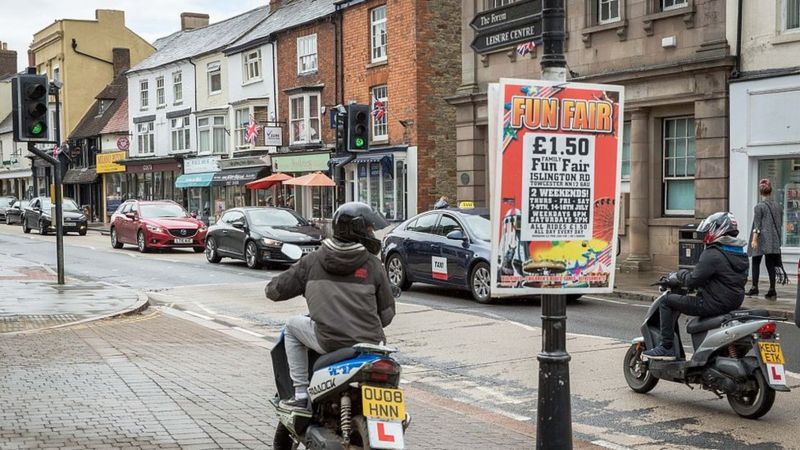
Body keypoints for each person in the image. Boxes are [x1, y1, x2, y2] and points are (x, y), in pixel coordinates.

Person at [265, 202, 396, 410]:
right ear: (357, 230)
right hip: (372, 345)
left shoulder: (312, 261)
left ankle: (300, 393)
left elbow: (274, 291)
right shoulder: (374, 265)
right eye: (370, 229)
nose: (372, 233)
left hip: (329, 341)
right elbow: (387, 316)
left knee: (291, 326)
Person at [643, 211, 748, 360]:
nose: (705, 236)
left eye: (707, 231)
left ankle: (666, 347)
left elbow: (693, 281)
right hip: (733, 302)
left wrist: (680, 274)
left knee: (667, 301)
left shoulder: (712, 253)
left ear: (717, 229)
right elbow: (725, 278)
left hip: (713, 303)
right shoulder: (740, 254)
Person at [747, 178, 783, 301]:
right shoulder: (778, 206)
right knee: (770, 264)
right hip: (774, 239)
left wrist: (754, 240)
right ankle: (772, 289)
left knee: (756, 262)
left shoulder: (759, 207)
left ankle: (754, 287)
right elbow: (780, 224)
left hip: (761, 238)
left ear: (760, 192)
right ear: (771, 191)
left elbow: (757, 226)